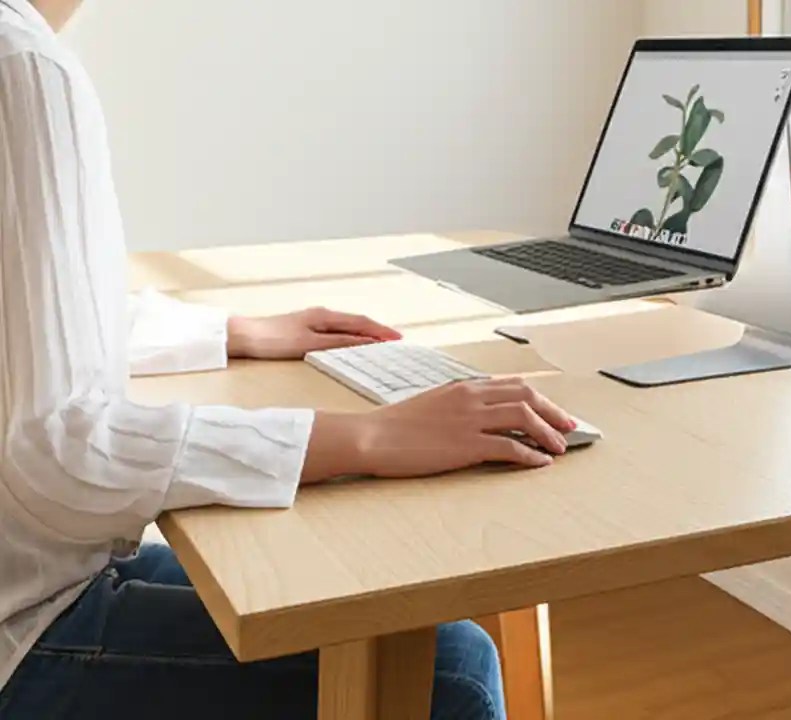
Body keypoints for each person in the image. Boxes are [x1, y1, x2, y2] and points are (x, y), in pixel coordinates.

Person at [0, 1, 577, 718]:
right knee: (449, 672)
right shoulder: (21, 64)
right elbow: (53, 451)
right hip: (22, 632)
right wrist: (371, 435)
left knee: (333, 582)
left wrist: (233, 330)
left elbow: (22, 319)